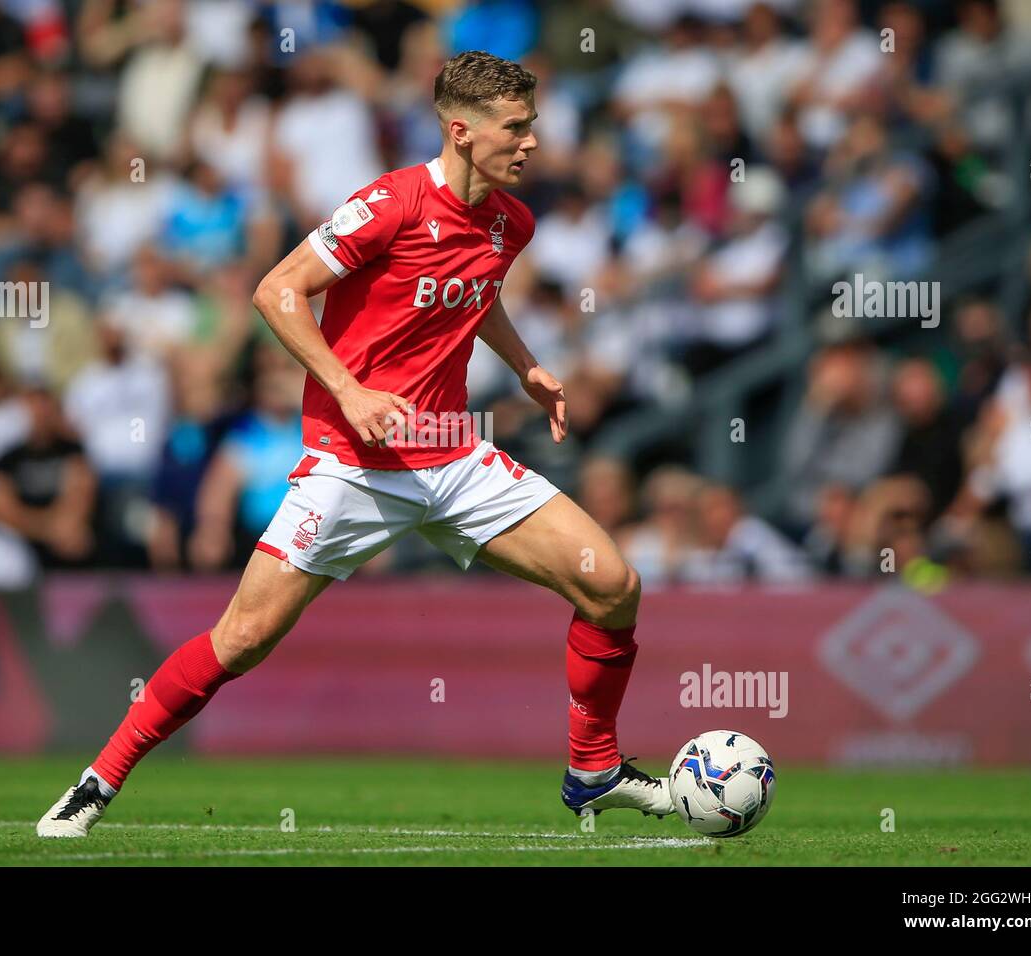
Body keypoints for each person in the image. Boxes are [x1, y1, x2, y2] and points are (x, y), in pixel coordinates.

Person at [38, 50, 668, 837]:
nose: (533, 142)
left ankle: (593, 770)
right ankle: (98, 781)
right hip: (354, 466)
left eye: (533, 124)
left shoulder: (513, 221)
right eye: (518, 126)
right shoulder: (388, 204)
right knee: (243, 638)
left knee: (613, 585)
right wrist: (349, 389)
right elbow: (277, 290)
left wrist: (529, 366)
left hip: (452, 455)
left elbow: (478, 296)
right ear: (461, 131)